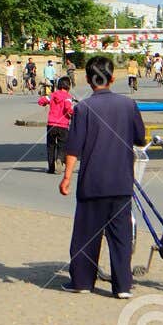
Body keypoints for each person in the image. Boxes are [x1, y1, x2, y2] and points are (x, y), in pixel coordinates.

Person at [59, 55, 146, 298]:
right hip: (121, 182)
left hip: (93, 182)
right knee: (121, 236)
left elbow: (73, 147)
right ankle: (123, 287)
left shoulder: (84, 108)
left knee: (86, 235)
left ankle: (83, 282)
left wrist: (66, 177)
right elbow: (141, 137)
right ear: (113, 78)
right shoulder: (128, 105)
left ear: (88, 80)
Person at [39, 76, 75, 173]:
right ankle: (59, 158)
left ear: (59, 85)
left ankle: (51, 168)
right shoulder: (68, 97)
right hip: (63, 126)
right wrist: (73, 113)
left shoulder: (52, 95)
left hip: (51, 125)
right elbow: (68, 108)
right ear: (69, 86)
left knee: (50, 146)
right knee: (62, 145)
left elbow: (41, 101)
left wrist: (44, 103)